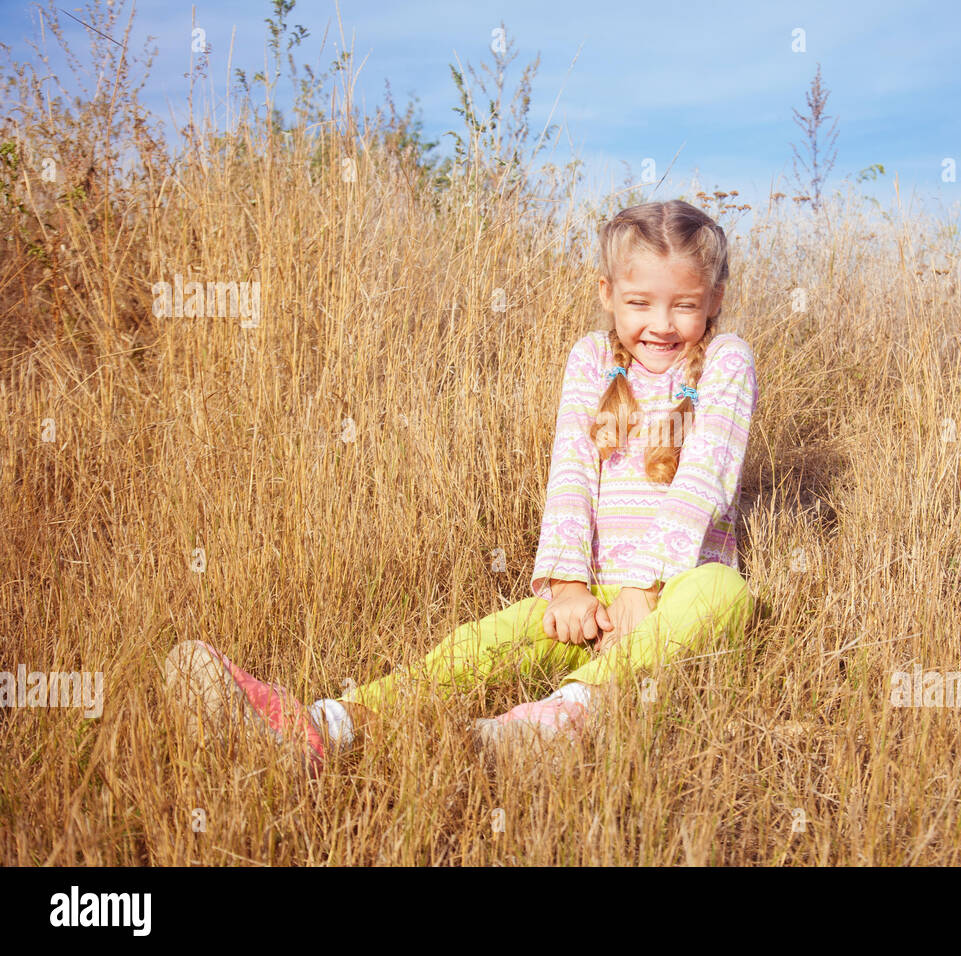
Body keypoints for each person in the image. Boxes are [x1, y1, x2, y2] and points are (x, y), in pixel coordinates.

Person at [164, 198, 759, 772]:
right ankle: (323, 727)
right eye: (639, 303)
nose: (661, 324)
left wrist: (645, 589)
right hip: (593, 603)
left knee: (724, 592)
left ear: (715, 300)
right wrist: (570, 588)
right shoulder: (591, 361)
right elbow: (570, 480)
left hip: (673, 596)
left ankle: (558, 724)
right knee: (481, 644)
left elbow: (704, 478)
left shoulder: (726, 360)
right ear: (606, 295)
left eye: (683, 305)